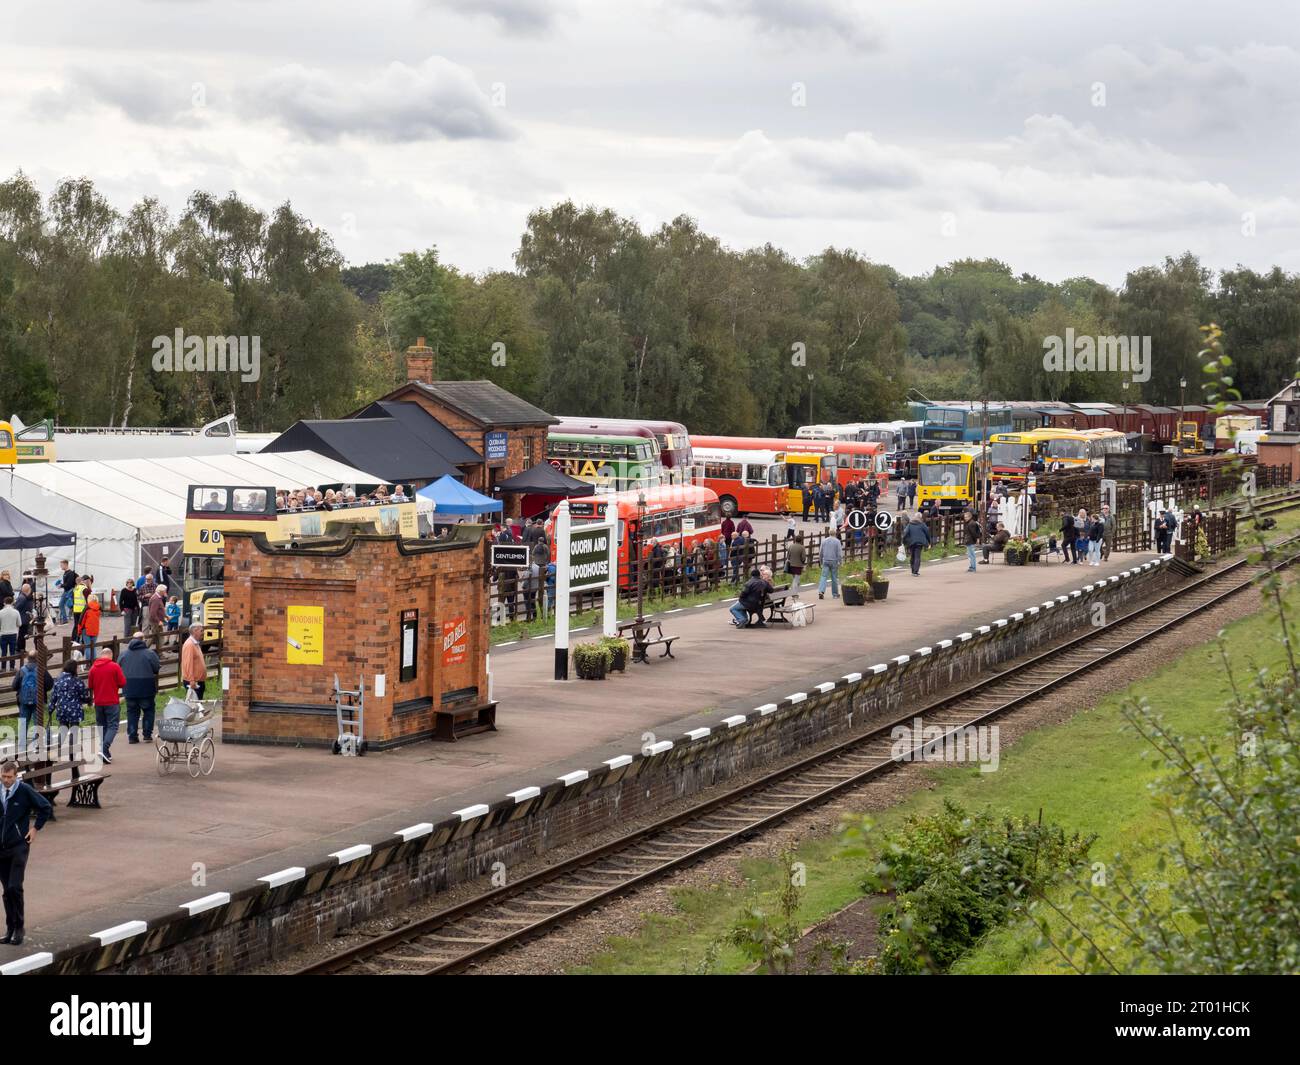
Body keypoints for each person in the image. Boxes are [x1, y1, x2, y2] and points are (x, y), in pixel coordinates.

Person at [0, 758, 53, 946]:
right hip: (1, 848)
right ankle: (10, 928)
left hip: (19, 845)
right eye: (3, 776)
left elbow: (45, 807)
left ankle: (19, 927)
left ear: (16, 776)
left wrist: (35, 828)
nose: (5, 780)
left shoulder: (24, 791)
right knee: (7, 891)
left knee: (15, 886)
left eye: (9, 777)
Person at [119, 631, 161, 744]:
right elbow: (156, 668)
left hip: (129, 687)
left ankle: (132, 736)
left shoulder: (123, 654)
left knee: (132, 712)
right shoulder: (149, 653)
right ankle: (147, 734)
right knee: (148, 710)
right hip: (146, 686)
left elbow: (118, 668)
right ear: (143, 639)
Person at [87, 646, 125, 765]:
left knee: (101, 726)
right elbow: (122, 682)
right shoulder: (114, 666)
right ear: (111, 655)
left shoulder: (93, 668)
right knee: (113, 726)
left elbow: (90, 685)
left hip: (98, 702)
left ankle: (105, 752)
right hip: (112, 701)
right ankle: (104, 748)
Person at [10, 653, 53, 755]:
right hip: (38, 701)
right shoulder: (42, 670)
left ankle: (22, 748)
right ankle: (36, 746)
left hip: (24, 702)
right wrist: (41, 690)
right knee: (37, 724)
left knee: (23, 724)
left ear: (27, 658)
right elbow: (50, 684)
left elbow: (14, 686)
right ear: (37, 658)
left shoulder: (22, 670)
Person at [50, 660, 90, 760]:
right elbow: (83, 696)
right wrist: (88, 700)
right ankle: (72, 755)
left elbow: (53, 696)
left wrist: (51, 708)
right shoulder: (77, 681)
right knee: (74, 731)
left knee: (62, 730)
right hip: (74, 710)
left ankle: (56, 753)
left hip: (62, 709)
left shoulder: (58, 680)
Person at [181, 623, 207, 699]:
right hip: (194, 682)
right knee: (195, 706)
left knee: (198, 706)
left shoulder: (195, 643)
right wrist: (191, 680)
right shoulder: (190, 645)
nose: (203, 633)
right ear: (195, 631)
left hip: (198, 681)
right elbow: (188, 663)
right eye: (201, 631)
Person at [902, 511, 931, 576]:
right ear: (920, 517)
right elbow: (927, 533)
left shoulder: (910, 524)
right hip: (920, 542)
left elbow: (905, 533)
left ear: (914, 517)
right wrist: (929, 542)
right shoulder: (922, 524)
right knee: (917, 556)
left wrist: (903, 541)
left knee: (912, 556)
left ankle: (913, 571)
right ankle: (915, 571)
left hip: (911, 542)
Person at [818, 530, 842, 600]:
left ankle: (821, 591)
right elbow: (839, 553)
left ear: (829, 533)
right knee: (834, 577)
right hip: (834, 561)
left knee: (824, 576)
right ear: (835, 534)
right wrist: (840, 562)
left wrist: (820, 561)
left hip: (825, 560)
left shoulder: (824, 541)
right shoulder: (837, 541)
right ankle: (835, 594)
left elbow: (820, 552)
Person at [80, 592, 101, 660]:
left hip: (86, 630)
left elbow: (81, 620)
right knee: (93, 646)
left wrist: (79, 630)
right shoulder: (98, 609)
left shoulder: (87, 608)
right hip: (95, 630)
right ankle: (93, 661)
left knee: (88, 647)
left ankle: (88, 662)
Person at [0, 597, 18, 670]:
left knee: (3, 651)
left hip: (3, 634)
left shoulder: (0, 612)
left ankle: (3, 668)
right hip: (13, 633)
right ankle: (12, 667)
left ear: (4, 603)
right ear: (12, 602)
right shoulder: (16, 612)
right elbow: (19, 623)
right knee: (12, 651)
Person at [57, 560, 77, 624]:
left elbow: (69, 584)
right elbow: (67, 583)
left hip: (69, 591)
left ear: (66, 564)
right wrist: (61, 585)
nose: (61, 566)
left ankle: (65, 619)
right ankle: (65, 619)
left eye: (61, 565)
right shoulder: (65, 573)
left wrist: (61, 585)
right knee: (63, 605)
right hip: (66, 591)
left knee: (63, 604)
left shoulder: (70, 573)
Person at [963, 508, 980, 573]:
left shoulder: (971, 524)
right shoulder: (971, 523)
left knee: (971, 555)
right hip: (970, 540)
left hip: (970, 541)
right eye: (965, 517)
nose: (965, 518)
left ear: (970, 517)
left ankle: (973, 567)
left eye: (966, 517)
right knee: (971, 555)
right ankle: (972, 567)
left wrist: (976, 539)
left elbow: (973, 533)